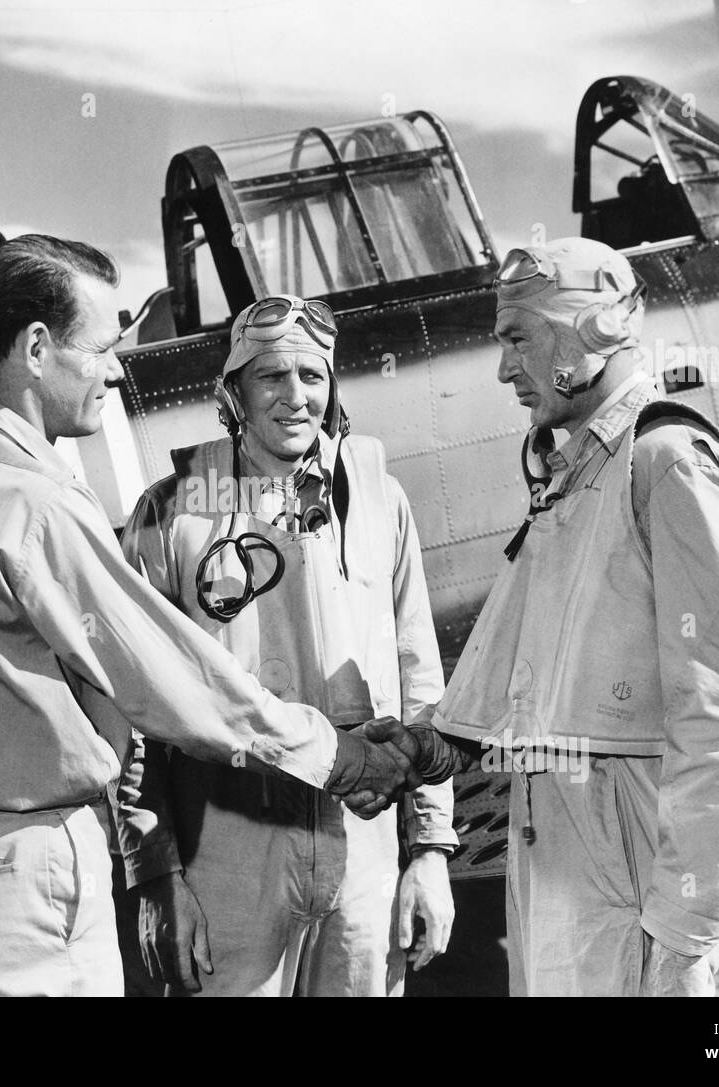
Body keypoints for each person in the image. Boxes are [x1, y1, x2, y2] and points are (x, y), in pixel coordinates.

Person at [0, 237, 417, 997]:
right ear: (36, 348)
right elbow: (168, 680)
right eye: (101, 347)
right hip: (38, 867)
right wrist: (338, 756)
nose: (117, 367)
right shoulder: (35, 504)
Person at [372, 237, 719, 996]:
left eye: (518, 340)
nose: (504, 369)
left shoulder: (667, 462)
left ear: (585, 333)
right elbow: (534, 667)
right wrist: (428, 743)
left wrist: (684, 939)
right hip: (561, 864)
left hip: (627, 885)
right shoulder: (574, 473)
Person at [113, 294, 457, 996]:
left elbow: (421, 681)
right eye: (271, 377)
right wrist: (155, 873)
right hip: (228, 851)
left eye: (313, 377)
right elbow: (133, 711)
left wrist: (429, 848)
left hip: (363, 850)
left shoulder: (380, 500)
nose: (295, 397)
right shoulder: (170, 512)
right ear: (233, 393)